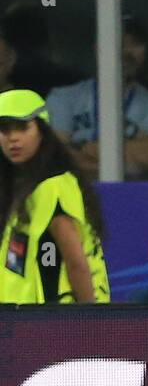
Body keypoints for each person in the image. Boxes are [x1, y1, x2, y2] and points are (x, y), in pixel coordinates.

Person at [0, 89, 110, 304]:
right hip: (21, 323)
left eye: (23, 128)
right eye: (5, 129)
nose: (13, 138)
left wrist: (92, 322)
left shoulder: (54, 186)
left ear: (42, 130)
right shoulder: (20, 188)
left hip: (58, 324)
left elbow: (76, 262)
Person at [44, 16, 148, 180]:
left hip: (133, 194)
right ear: (98, 49)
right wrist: (126, 156)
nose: (127, 51)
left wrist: (85, 147)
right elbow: (57, 155)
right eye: (119, 42)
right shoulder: (63, 98)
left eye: (135, 43)